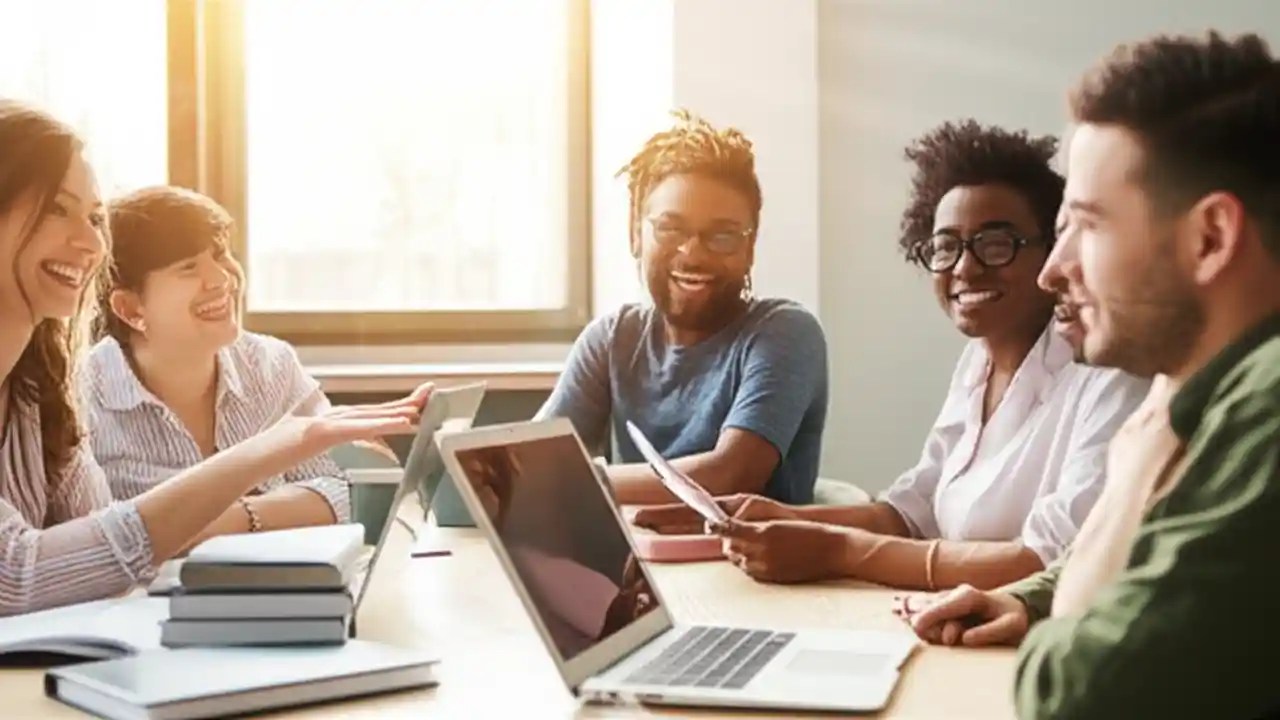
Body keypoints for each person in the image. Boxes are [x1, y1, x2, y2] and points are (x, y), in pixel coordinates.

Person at [904, 31, 1280, 720]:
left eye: (1087, 226)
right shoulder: (1226, 389)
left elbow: (1078, 695)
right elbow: (1155, 566)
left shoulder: (1268, 410)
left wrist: (1142, 460)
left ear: (1210, 239)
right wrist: (1026, 598)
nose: (1052, 270)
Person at [635, 121, 1149, 590]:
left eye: (995, 244)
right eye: (946, 246)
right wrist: (774, 516)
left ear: (1051, 249)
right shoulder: (978, 363)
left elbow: (1053, 561)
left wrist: (841, 551)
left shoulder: (1110, 375)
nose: (965, 268)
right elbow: (910, 512)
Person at [0, 99, 428, 616]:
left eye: (94, 217)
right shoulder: (92, 384)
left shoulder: (37, 391)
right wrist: (274, 449)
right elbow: (18, 575)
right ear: (131, 310)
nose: (93, 242)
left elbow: (103, 551)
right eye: (57, 209)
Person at [537, 110, 828, 506]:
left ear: (750, 247)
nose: (692, 254)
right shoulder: (612, 339)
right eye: (670, 228)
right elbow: (533, 461)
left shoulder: (786, 333)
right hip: (636, 563)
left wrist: (574, 482)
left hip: (746, 566)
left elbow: (731, 474)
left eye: (723, 236)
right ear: (634, 234)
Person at [82, 186, 352, 547]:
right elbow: (99, 539)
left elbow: (343, 489)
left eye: (220, 254)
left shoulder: (271, 365)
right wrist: (282, 508)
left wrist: (225, 520)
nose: (223, 279)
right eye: (188, 267)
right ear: (131, 309)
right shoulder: (80, 400)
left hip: (276, 586)